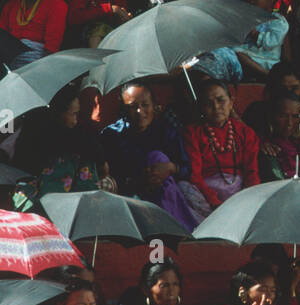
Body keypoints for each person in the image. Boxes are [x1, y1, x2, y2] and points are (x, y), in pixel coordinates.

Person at [101, 82, 208, 230]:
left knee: (158, 158)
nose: (139, 111)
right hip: (131, 193)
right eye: (133, 106)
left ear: (155, 107)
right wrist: (140, 180)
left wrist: (170, 168)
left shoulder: (166, 131)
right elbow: (109, 174)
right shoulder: (112, 135)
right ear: (124, 109)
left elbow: (186, 169)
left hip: (166, 191)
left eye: (145, 105)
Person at [182, 78, 261, 209]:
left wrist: (249, 201)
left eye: (221, 100)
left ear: (231, 102)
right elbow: (195, 175)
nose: (216, 107)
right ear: (201, 107)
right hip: (206, 193)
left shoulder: (246, 132)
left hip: (238, 191)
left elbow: (251, 172)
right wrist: (214, 202)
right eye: (209, 103)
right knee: (184, 188)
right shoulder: (192, 133)